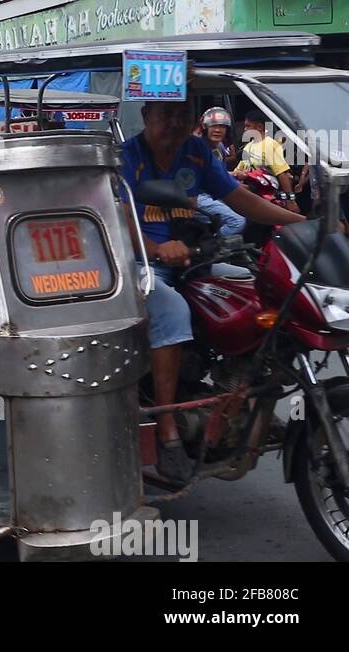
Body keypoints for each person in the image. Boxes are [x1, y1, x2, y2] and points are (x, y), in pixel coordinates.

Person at [121, 100, 305, 482]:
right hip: (138, 264)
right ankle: (168, 429)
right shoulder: (128, 156)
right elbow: (115, 215)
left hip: (193, 257)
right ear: (146, 117)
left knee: (258, 291)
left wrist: (305, 223)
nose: (174, 123)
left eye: (182, 115)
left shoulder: (197, 152)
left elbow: (241, 201)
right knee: (171, 310)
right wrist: (155, 249)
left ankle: (243, 395)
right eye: (165, 115)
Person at [233, 109, 299, 213]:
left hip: (269, 199)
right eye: (245, 126)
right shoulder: (247, 147)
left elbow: (282, 174)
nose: (245, 129)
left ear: (259, 127)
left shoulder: (270, 145)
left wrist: (290, 201)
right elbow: (238, 170)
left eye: (248, 126)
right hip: (251, 198)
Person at [196, 107, 245, 236]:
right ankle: (214, 247)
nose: (217, 130)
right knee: (237, 222)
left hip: (213, 194)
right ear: (205, 127)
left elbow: (218, 173)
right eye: (213, 125)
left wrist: (234, 174)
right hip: (197, 196)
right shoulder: (196, 148)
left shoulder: (220, 147)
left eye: (222, 126)